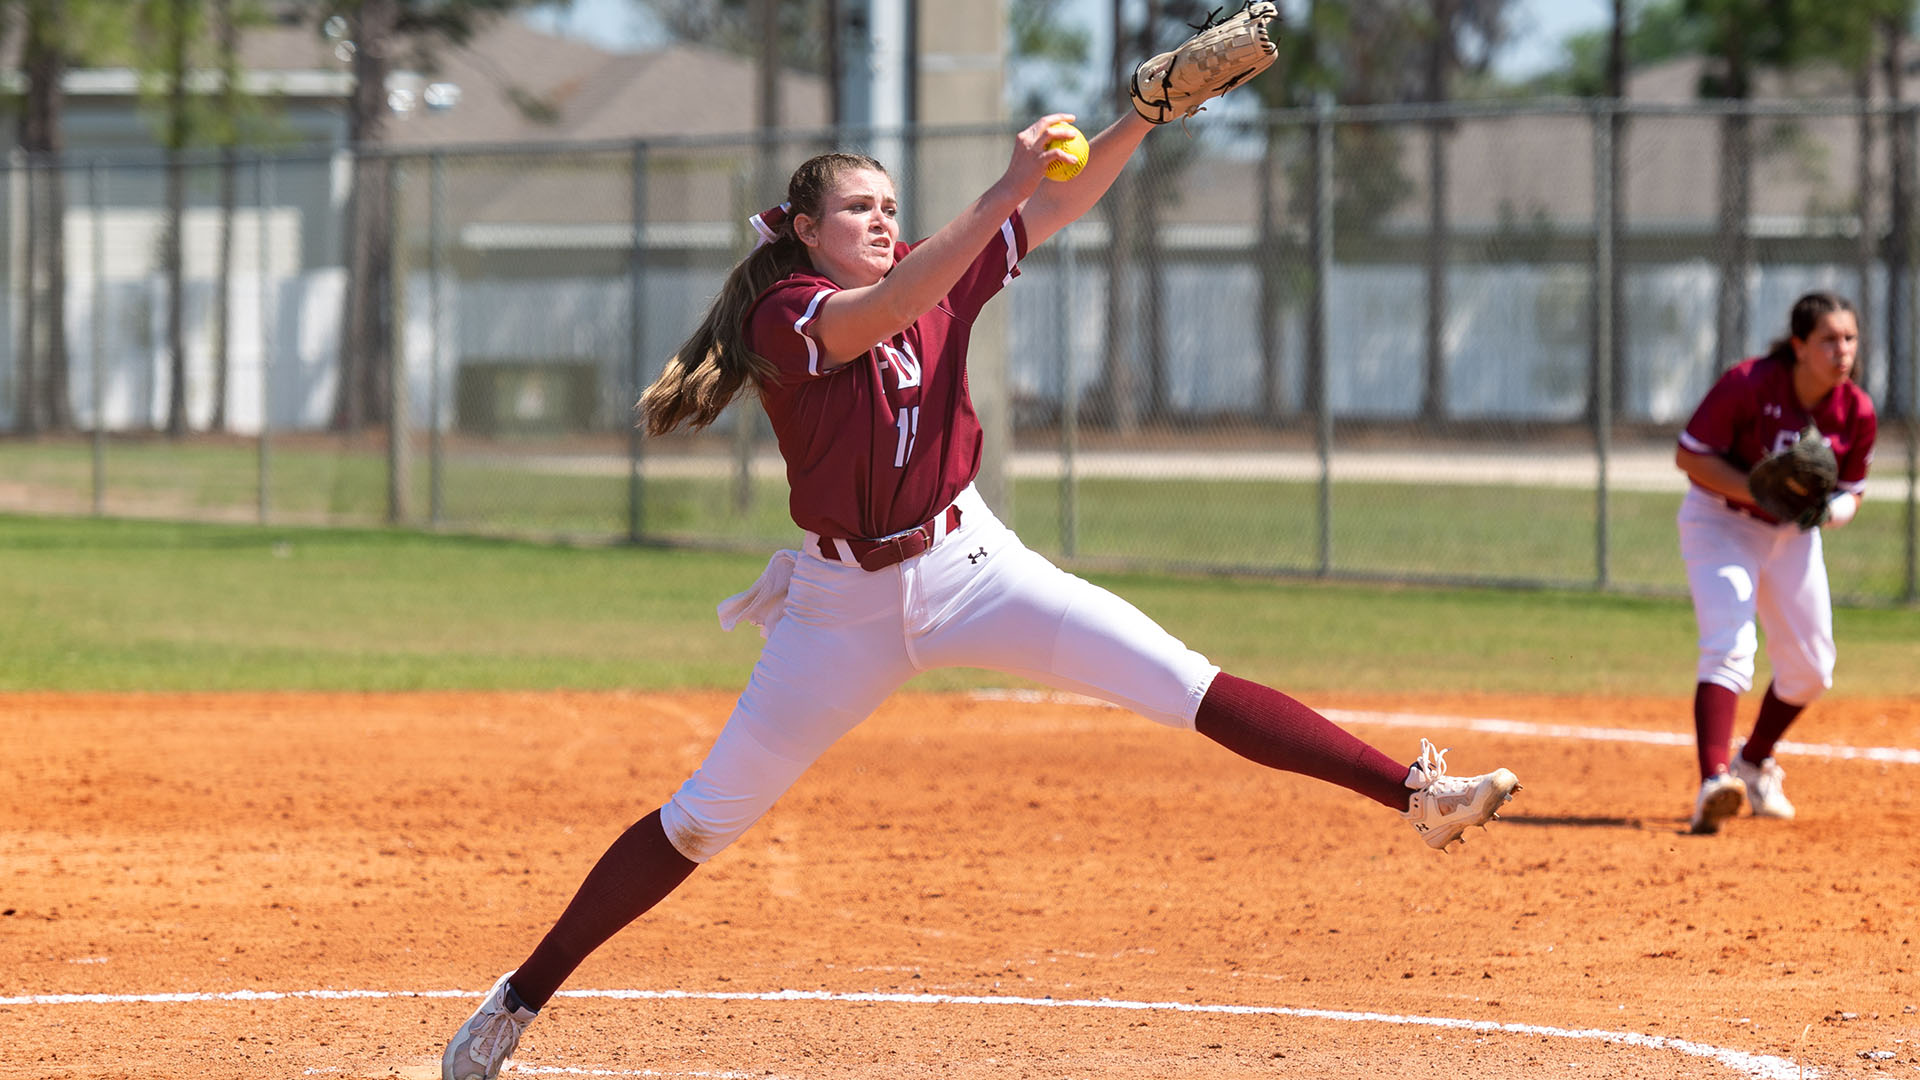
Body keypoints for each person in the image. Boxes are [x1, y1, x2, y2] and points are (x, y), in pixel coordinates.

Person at [439, 86, 1520, 1080]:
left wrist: (1143, 116)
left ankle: (1417, 797)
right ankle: (516, 1001)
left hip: (972, 566)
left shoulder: (932, 270)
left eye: (889, 205)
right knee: (701, 821)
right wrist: (1003, 188)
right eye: (856, 207)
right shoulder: (792, 314)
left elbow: (1058, 206)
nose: (878, 218)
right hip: (840, 611)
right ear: (806, 230)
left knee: (1182, 680)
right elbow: (886, 309)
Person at [1674, 290, 1877, 835]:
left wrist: (1824, 511)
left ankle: (1753, 762)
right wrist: (1756, 491)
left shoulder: (1854, 409)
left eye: (1850, 338)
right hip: (1720, 523)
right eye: (1829, 339)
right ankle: (1715, 781)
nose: (1843, 350)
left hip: (1792, 533)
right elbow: (1690, 455)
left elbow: (1852, 491)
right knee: (1730, 645)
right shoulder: (1750, 383)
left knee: (1812, 668)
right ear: (1799, 346)